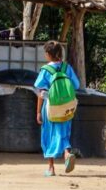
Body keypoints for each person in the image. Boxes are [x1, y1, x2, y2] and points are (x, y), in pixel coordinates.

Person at [34, 41, 80, 177]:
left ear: (48, 54)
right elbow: (76, 85)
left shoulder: (45, 70)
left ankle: (51, 168)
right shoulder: (67, 68)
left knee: (49, 135)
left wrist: (38, 112)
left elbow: (41, 93)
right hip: (66, 107)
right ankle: (67, 154)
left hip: (50, 107)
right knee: (64, 132)